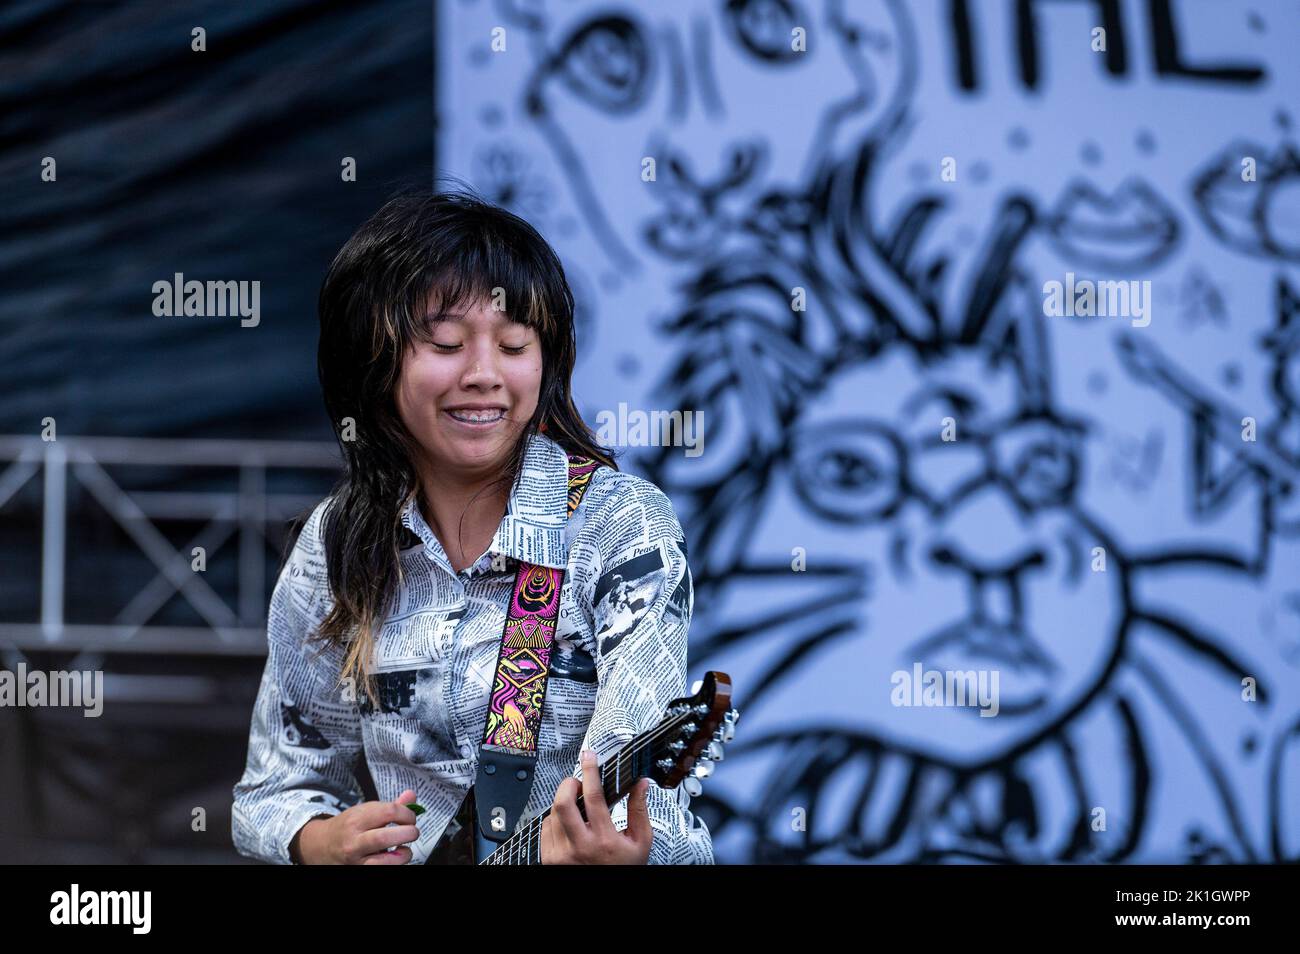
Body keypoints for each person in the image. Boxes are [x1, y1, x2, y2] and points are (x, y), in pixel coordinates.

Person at [231, 189, 713, 865]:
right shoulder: (339, 539)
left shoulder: (619, 527)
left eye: (515, 344)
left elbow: (655, 820)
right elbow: (272, 790)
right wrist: (323, 842)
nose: (484, 375)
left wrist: (624, 856)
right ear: (375, 359)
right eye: (447, 343)